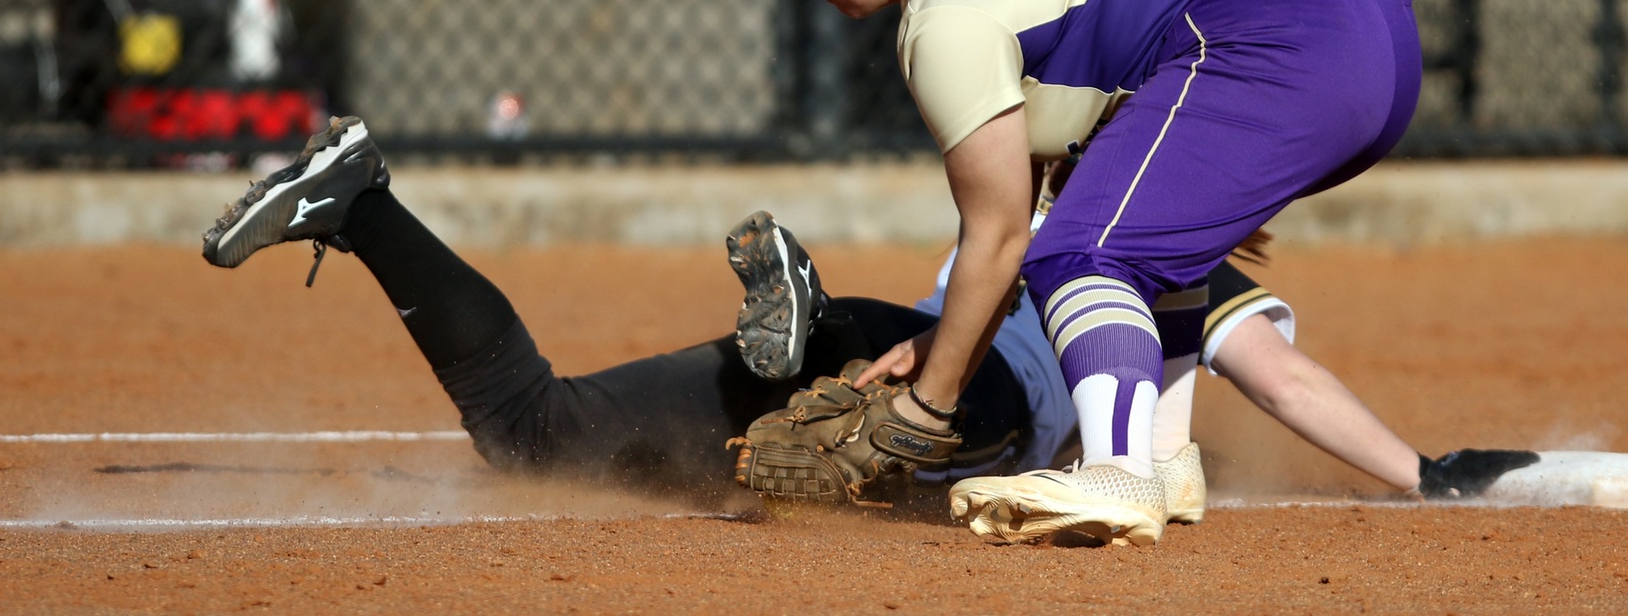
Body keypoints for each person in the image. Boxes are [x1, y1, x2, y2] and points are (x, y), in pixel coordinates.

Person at [198, 117, 1524, 517]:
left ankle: (362, 200)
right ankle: (817, 325)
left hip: (891, 365)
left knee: (532, 432)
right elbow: (1282, 381)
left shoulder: (1017, 207)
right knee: (926, 380)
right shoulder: (1170, 262)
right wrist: (1428, 471)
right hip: (963, 410)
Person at [730, 0, 1423, 544]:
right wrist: (947, 349)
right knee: (1141, 241)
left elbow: (1001, 236)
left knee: (1080, 253)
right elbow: (1009, 213)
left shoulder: (944, 12)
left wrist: (925, 410)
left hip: (1288, 32)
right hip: (1372, 26)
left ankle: (1118, 471)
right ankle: (1162, 455)